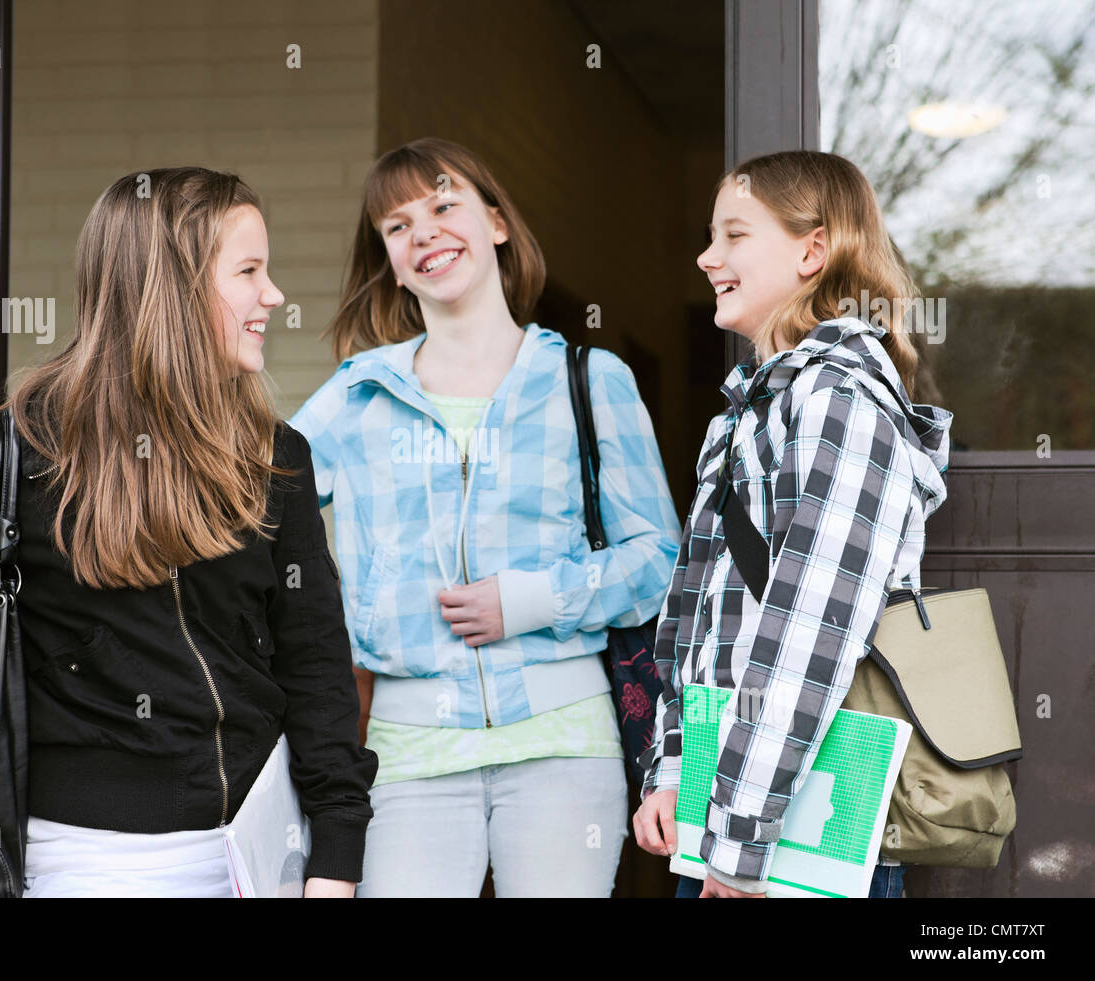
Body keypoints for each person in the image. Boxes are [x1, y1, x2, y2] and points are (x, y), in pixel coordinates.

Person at [0, 166, 377, 897]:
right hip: (77, 865)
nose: (274, 295)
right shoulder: (14, 449)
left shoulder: (276, 457)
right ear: (173, 289)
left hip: (255, 857)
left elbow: (317, 669)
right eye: (249, 272)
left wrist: (335, 860)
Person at [288, 138, 682, 897]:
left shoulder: (590, 381)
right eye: (396, 227)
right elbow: (240, 496)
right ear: (391, 263)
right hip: (409, 749)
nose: (423, 233)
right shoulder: (358, 396)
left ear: (497, 222)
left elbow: (659, 562)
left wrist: (527, 600)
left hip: (566, 747)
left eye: (443, 206)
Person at [631, 150, 952, 898]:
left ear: (813, 250)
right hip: (728, 825)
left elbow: (809, 632)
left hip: (781, 846)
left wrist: (740, 845)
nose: (708, 257)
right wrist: (678, 770)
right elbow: (697, 622)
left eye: (735, 235)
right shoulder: (742, 417)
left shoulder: (836, 403)